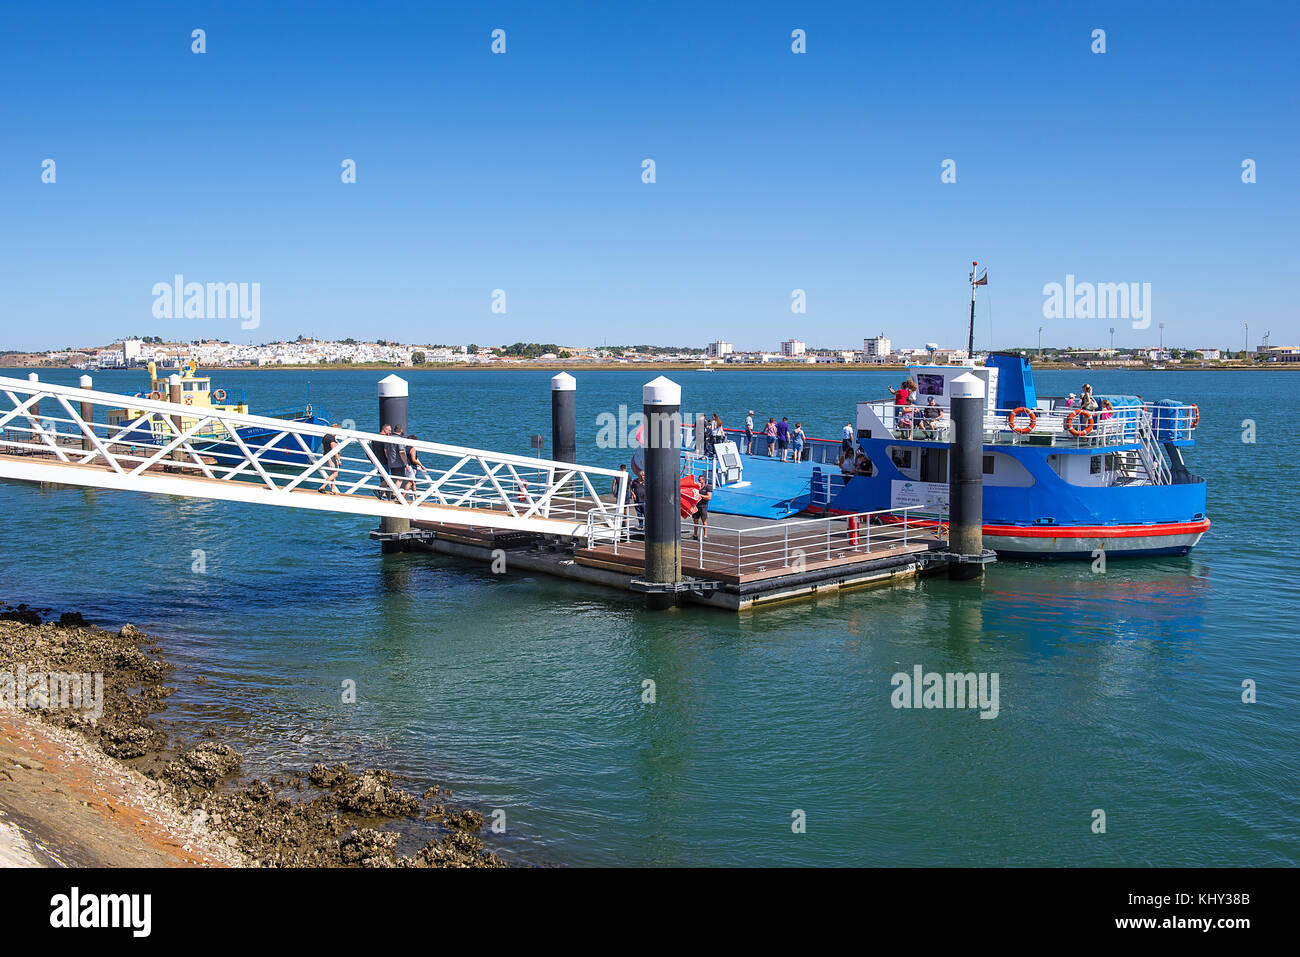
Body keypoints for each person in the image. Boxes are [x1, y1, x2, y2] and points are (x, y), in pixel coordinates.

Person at [371, 424, 395, 499]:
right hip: (384, 460)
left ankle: (383, 494)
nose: (390, 432)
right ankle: (378, 489)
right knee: (388, 478)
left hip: (377, 460)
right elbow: (386, 450)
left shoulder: (374, 438)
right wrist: (390, 460)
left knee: (383, 478)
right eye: (389, 430)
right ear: (385, 429)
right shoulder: (385, 438)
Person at [321, 424, 341, 494]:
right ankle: (323, 486)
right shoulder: (331, 438)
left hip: (326, 456)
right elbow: (334, 449)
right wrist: (338, 460)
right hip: (331, 457)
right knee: (335, 474)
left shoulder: (325, 437)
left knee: (332, 473)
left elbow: (323, 448)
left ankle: (333, 489)